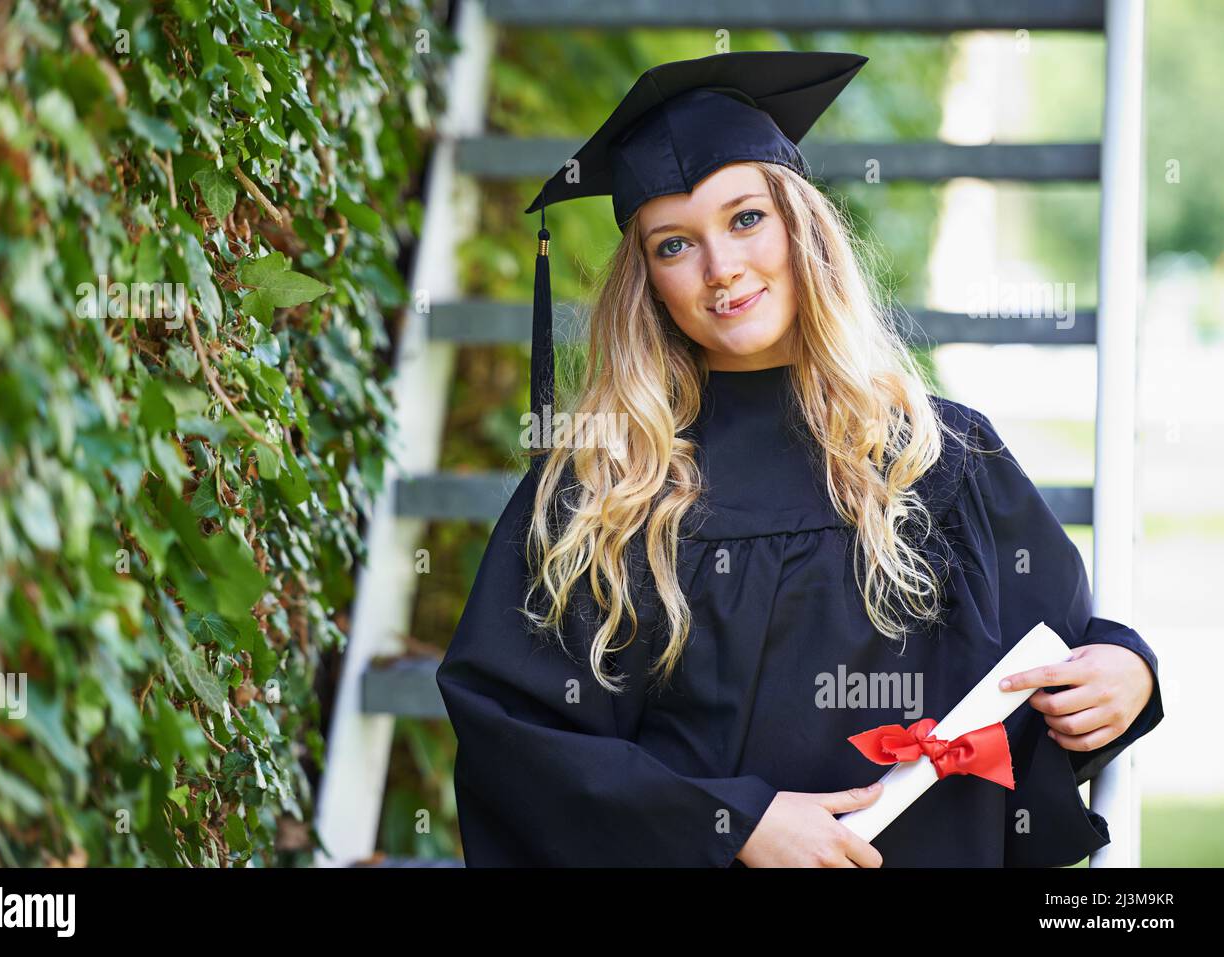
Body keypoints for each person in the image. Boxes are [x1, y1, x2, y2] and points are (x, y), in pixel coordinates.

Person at [435, 51, 1163, 867]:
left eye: (746, 218)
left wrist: (1128, 671)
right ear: (646, 281)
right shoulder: (602, 488)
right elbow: (519, 748)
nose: (722, 270)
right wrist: (732, 824)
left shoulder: (940, 456)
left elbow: (1052, 660)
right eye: (675, 245)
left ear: (801, 224)